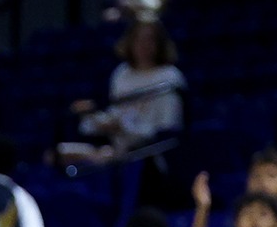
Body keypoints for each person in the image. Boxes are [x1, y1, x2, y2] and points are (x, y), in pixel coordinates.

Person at [57, 19, 185, 167]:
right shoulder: (122, 74)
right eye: (138, 38)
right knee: (58, 153)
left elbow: (167, 131)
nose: (143, 45)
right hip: (120, 151)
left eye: (150, 39)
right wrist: (90, 115)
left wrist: (124, 128)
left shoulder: (170, 78)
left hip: (152, 157)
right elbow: (116, 115)